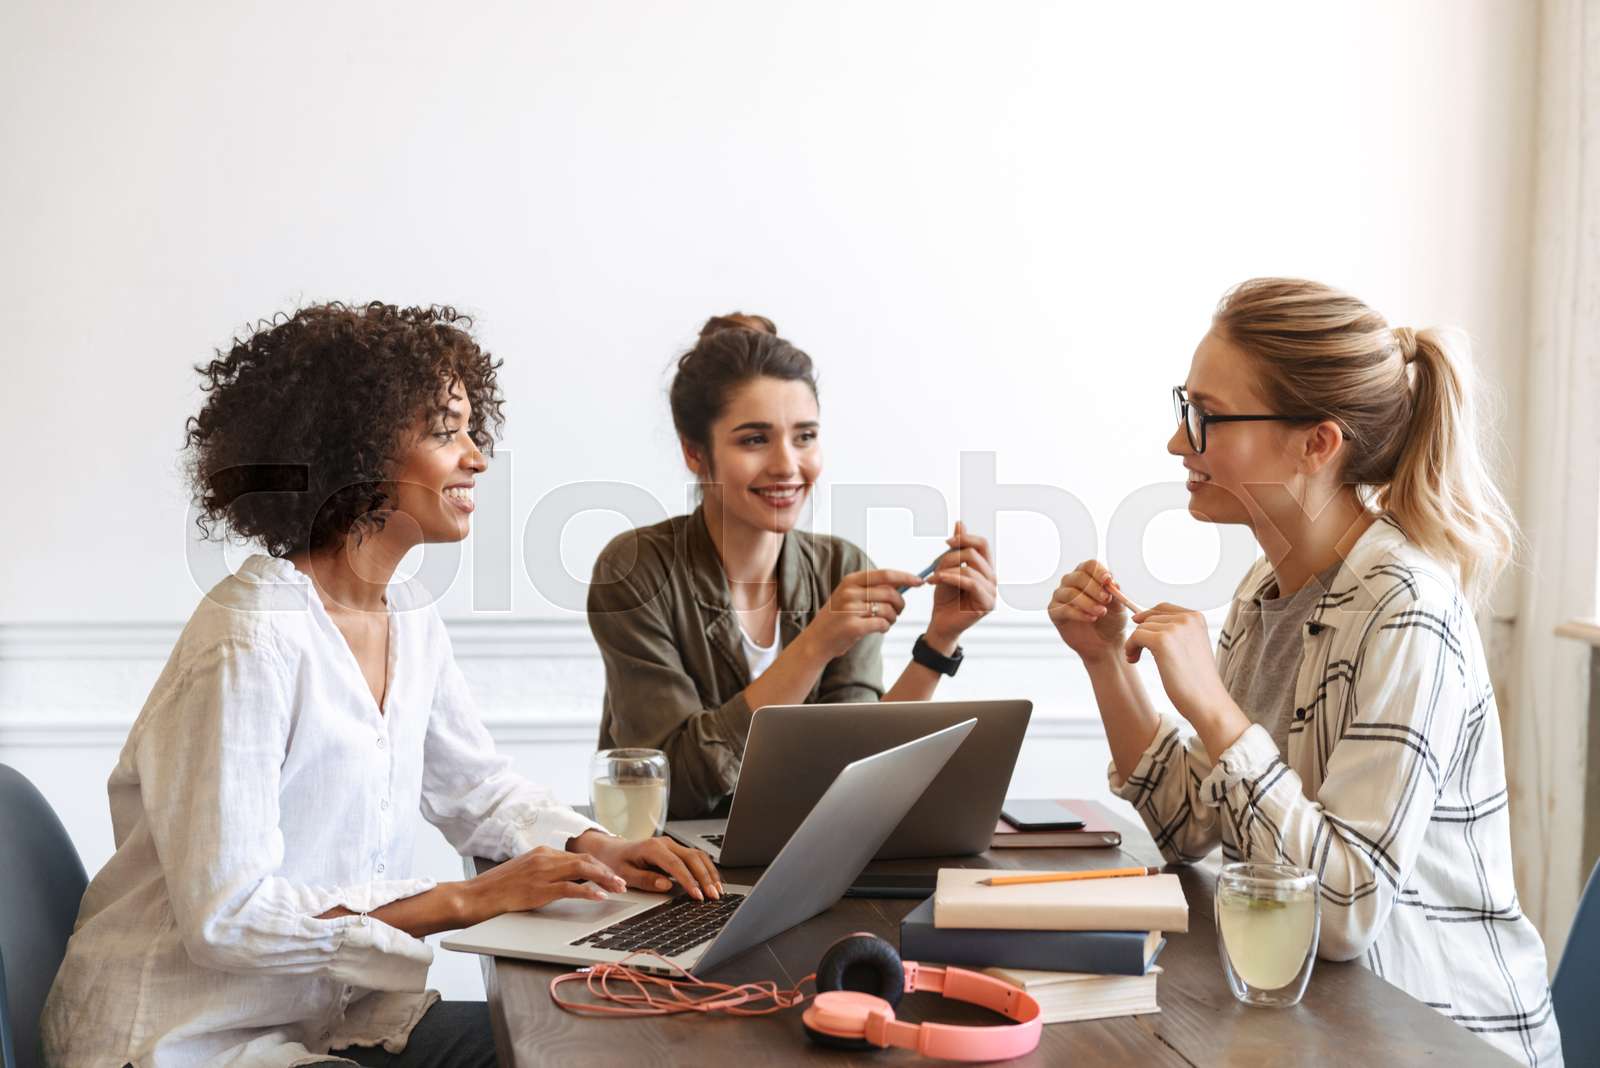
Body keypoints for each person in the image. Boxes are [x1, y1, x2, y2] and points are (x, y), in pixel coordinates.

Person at [41, 303, 718, 1068]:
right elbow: (227, 917)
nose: (476, 458)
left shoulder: (408, 615)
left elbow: (477, 790)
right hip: (181, 1041)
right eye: (445, 431)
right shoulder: (250, 636)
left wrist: (602, 846)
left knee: (581, 1051)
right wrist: (468, 899)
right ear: (353, 453)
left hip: (327, 1019)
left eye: (472, 430)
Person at [1047, 279, 1561, 1066]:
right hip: (1311, 1018)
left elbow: (1347, 908)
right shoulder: (1268, 587)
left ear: (1317, 443)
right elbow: (1196, 830)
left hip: (1434, 1034)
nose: (1178, 444)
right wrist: (1106, 665)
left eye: (1205, 417)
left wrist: (1217, 712)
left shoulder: (1406, 609)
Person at [588, 313, 997, 818]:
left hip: (808, 854)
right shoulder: (635, 570)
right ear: (695, 453)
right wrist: (815, 645)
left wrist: (938, 643)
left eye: (804, 437)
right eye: (754, 440)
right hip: (675, 863)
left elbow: (862, 761)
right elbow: (676, 785)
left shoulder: (839, 567)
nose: (787, 465)